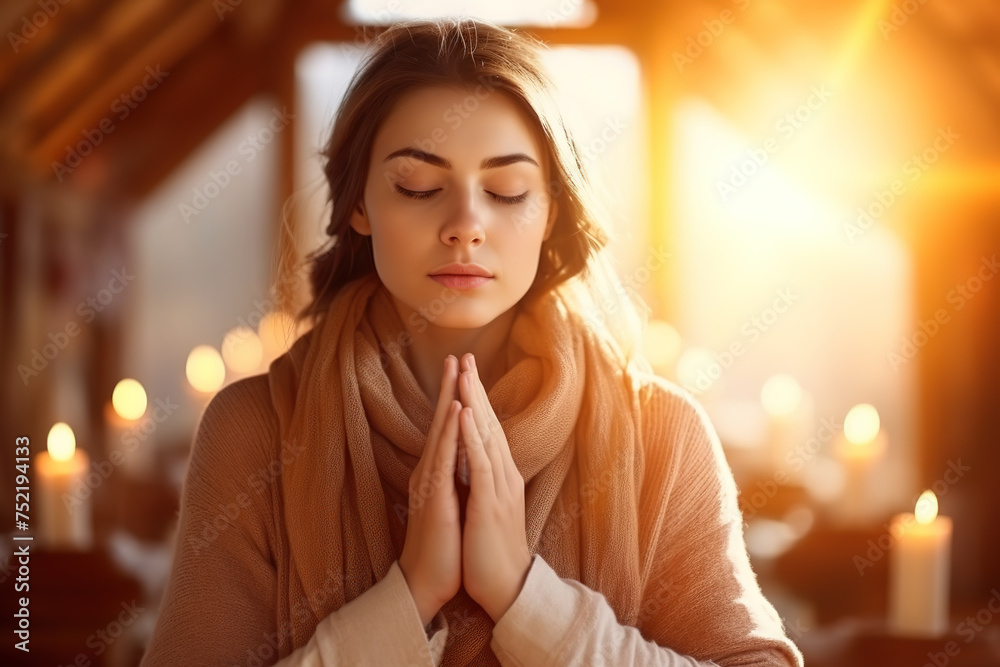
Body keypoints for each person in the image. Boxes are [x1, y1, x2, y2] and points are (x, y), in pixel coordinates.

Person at [141, 17, 804, 667]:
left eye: (507, 190)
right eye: (419, 186)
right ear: (359, 204)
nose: (465, 224)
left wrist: (526, 596)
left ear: (551, 210)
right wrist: (406, 598)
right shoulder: (253, 433)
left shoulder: (662, 435)